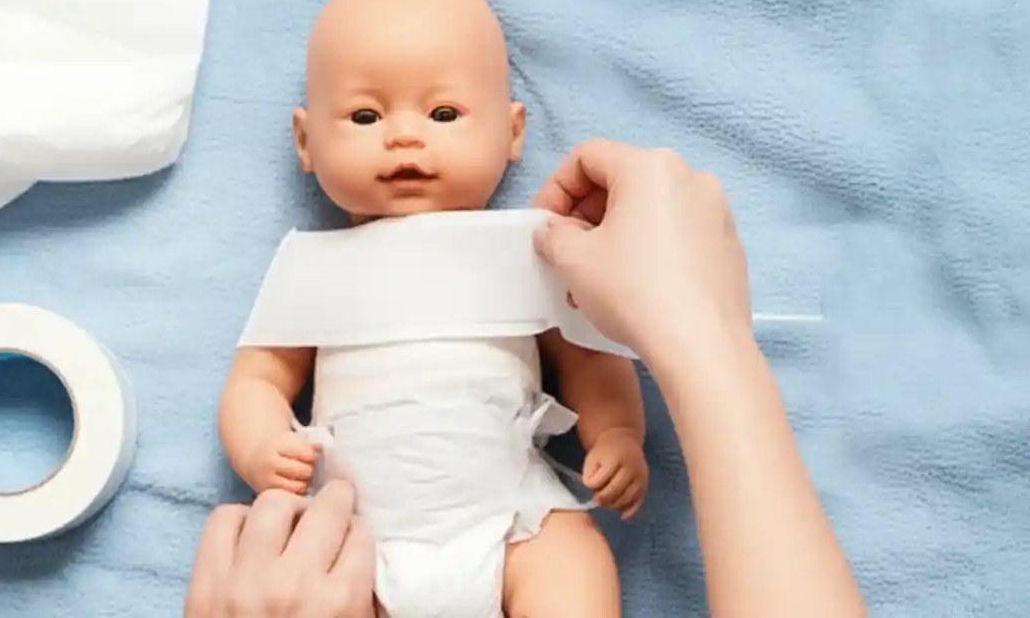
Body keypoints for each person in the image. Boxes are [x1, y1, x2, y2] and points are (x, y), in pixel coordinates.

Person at [185, 138, 867, 617]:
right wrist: (260, 446)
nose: (404, 136)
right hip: (358, 539)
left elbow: (585, 356)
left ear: (512, 131)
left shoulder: (521, 252)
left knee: (574, 557)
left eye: (445, 113)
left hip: (511, 519)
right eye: (364, 118)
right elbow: (258, 380)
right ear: (306, 142)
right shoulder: (314, 267)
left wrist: (618, 432)